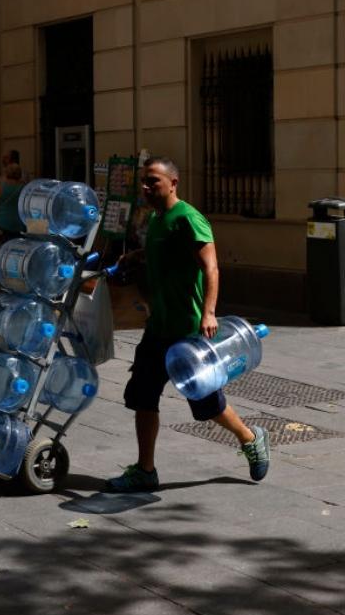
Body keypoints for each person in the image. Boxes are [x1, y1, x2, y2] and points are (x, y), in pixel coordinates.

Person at [106, 157, 270, 493]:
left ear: (173, 183)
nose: (146, 187)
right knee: (142, 397)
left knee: (207, 406)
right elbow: (162, 254)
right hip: (158, 328)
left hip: (188, 333)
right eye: (144, 182)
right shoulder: (157, 219)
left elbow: (211, 268)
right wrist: (136, 256)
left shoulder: (189, 219)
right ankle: (145, 470)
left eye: (153, 181)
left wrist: (209, 313)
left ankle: (251, 438)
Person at [0, 162, 26, 243]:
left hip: (4, 224)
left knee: (4, 248)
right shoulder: (24, 187)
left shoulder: (0, 186)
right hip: (19, 224)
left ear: (7, 173)